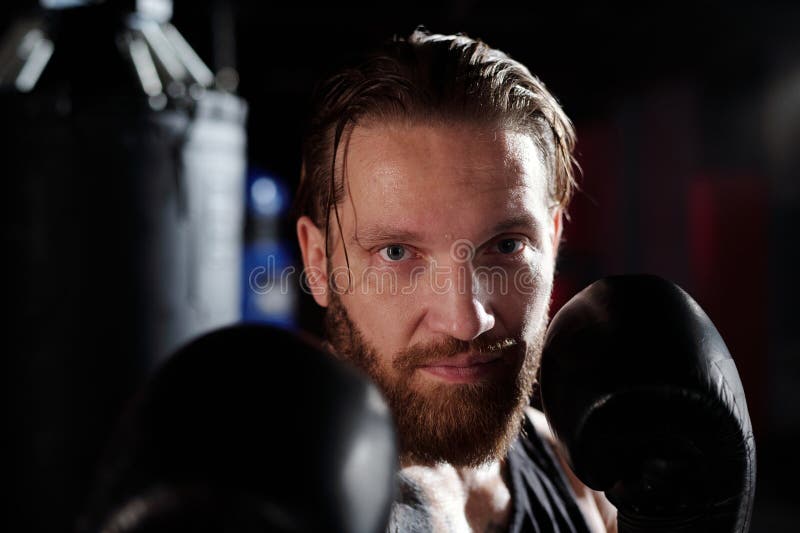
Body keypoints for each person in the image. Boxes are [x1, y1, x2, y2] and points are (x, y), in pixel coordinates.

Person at [294, 28, 617, 532]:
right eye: (397, 252)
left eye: (506, 245)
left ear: (553, 242)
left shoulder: (578, 469)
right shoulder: (271, 493)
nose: (466, 320)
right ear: (318, 263)